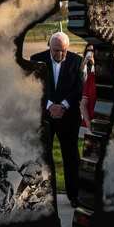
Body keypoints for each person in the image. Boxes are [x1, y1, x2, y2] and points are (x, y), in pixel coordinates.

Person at [31, 31, 84, 207]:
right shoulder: (36, 60)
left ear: (67, 49)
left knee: (70, 157)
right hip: (45, 116)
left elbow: (78, 89)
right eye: (55, 50)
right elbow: (33, 88)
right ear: (49, 46)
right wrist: (49, 106)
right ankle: (43, 197)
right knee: (44, 157)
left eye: (63, 51)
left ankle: (74, 195)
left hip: (68, 117)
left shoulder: (76, 61)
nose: (59, 54)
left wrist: (63, 105)